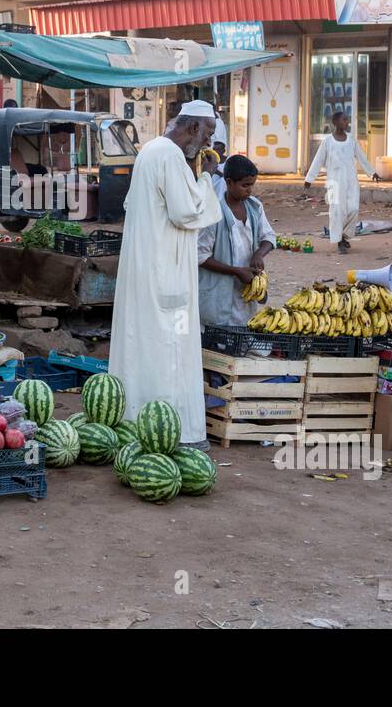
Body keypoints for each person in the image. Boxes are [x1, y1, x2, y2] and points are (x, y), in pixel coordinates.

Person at [110, 99, 221, 450]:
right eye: (208, 134)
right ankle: (175, 431)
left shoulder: (151, 150)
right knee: (170, 349)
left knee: (142, 346)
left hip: (148, 270)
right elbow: (185, 213)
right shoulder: (171, 156)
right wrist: (206, 178)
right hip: (166, 274)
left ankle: (134, 423)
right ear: (192, 127)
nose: (208, 143)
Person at [198, 155, 276, 327]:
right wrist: (236, 271)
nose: (249, 190)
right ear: (229, 182)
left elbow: (269, 237)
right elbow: (201, 256)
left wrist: (259, 253)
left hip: (246, 290)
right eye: (244, 185)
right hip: (218, 294)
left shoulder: (255, 207)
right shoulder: (214, 213)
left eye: (252, 185)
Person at [303, 111, 380, 253]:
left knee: (353, 210)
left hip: (351, 181)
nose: (347, 122)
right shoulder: (328, 141)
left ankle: (344, 235)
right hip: (334, 182)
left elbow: (361, 157)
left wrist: (372, 172)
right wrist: (309, 179)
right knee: (337, 211)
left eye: (347, 120)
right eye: (344, 120)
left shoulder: (351, 140)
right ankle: (339, 242)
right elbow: (318, 160)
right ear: (336, 122)